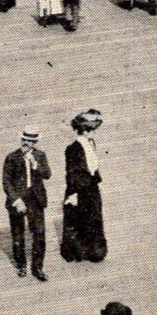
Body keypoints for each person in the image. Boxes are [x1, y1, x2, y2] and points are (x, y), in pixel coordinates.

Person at [3, 127, 53, 280]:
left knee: (39, 233)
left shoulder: (40, 156)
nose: (26, 143)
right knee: (18, 235)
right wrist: (16, 200)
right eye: (24, 140)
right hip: (18, 200)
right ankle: (21, 265)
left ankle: (37, 267)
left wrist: (35, 165)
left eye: (30, 141)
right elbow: (6, 182)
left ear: (35, 142)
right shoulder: (12, 157)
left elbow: (47, 174)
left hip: (35, 199)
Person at [62, 110, 108, 263]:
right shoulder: (73, 148)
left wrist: (98, 182)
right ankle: (77, 252)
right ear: (84, 130)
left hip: (92, 188)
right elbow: (71, 173)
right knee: (78, 220)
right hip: (79, 189)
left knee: (94, 218)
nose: (94, 133)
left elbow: (94, 167)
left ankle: (95, 252)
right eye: (92, 130)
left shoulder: (91, 144)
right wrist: (73, 193)